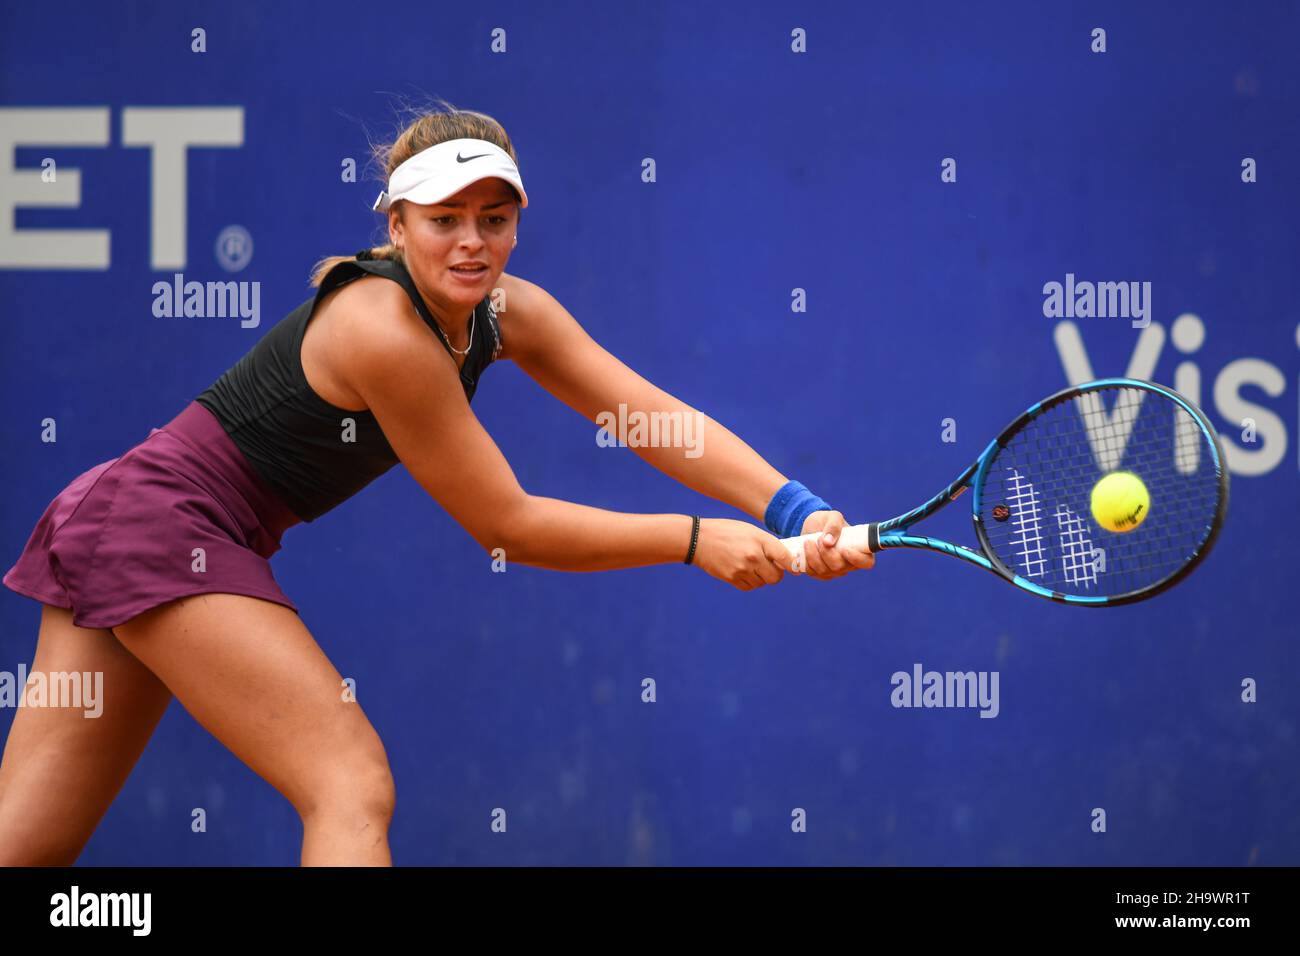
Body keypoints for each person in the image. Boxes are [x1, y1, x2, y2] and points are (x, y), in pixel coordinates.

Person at [0, 102, 873, 866]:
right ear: (397, 226)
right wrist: (693, 541)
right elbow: (510, 527)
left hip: (116, 518)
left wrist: (792, 507)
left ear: (519, 223)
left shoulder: (509, 312)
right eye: (445, 218)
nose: (471, 241)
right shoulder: (381, 330)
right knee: (350, 783)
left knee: (25, 846)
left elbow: (647, 416)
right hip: (161, 527)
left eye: (494, 218)